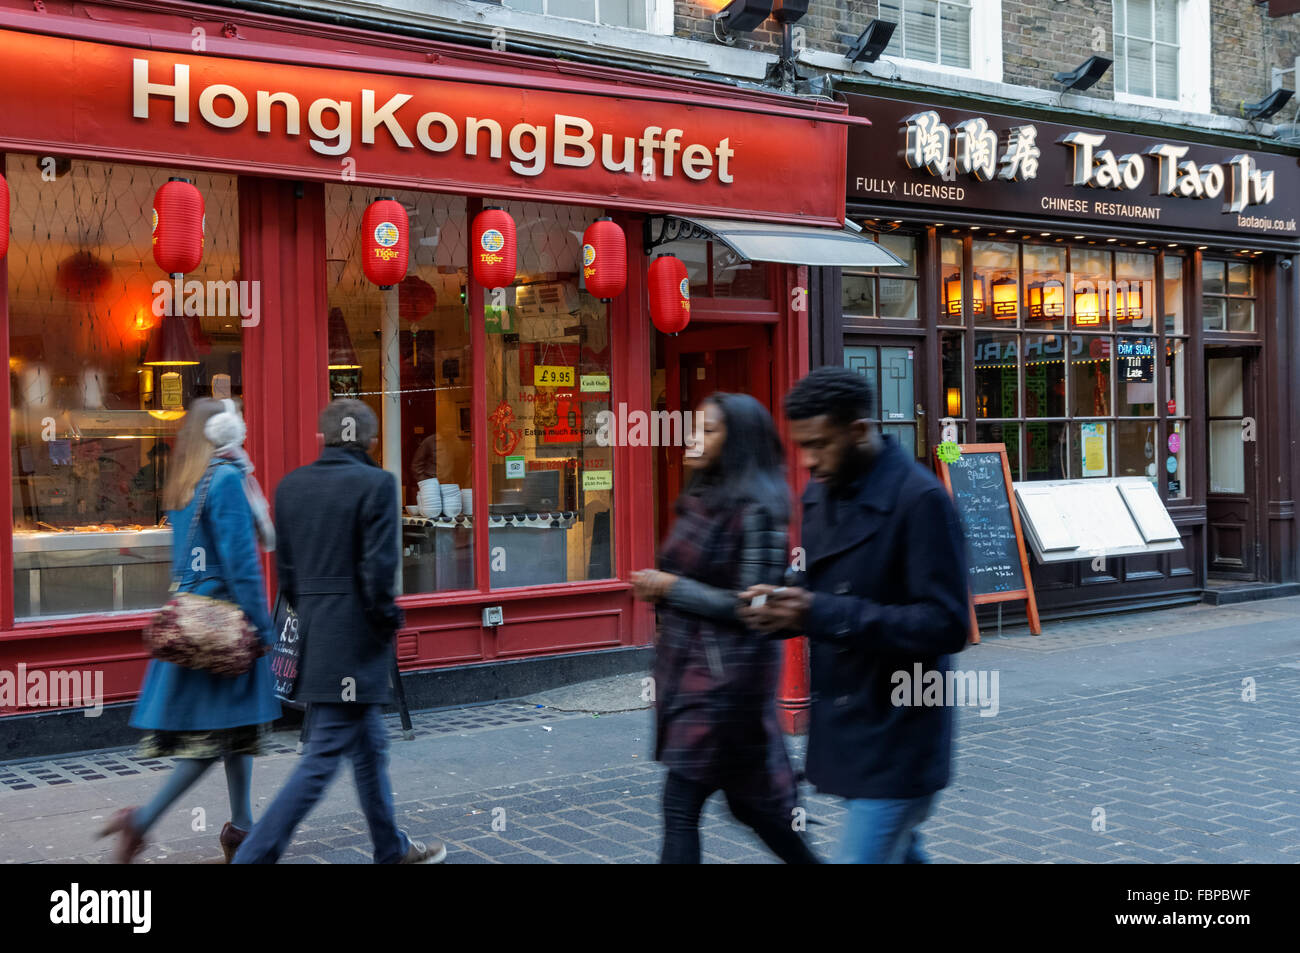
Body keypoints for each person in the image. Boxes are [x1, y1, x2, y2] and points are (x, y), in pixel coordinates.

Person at [739, 366, 969, 864]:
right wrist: (786, 602)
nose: (808, 461)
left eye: (819, 445)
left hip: (899, 732)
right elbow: (829, 585)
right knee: (902, 851)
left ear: (859, 431)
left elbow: (947, 624)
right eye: (801, 446)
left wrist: (820, 611)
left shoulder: (921, 500)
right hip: (852, 729)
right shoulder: (821, 491)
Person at [233, 399, 445, 864]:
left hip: (314, 629)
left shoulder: (291, 486)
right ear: (369, 439)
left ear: (324, 436)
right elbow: (379, 570)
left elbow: (285, 575)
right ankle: (254, 855)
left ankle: (391, 848)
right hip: (354, 637)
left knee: (369, 746)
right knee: (322, 757)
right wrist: (387, 620)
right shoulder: (377, 484)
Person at [631, 392, 818, 865]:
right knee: (756, 808)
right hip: (694, 672)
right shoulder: (702, 496)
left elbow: (752, 605)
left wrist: (670, 588)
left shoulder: (757, 509)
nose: (694, 437)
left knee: (681, 804)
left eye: (709, 430)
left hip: (726, 682)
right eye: (696, 426)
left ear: (738, 442)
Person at [102, 398, 281, 863]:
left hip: (194, 622)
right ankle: (139, 821)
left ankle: (243, 828)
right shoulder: (227, 480)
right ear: (224, 429)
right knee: (213, 741)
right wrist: (264, 627)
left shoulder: (188, 483)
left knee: (234, 731)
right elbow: (242, 565)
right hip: (224, 630)